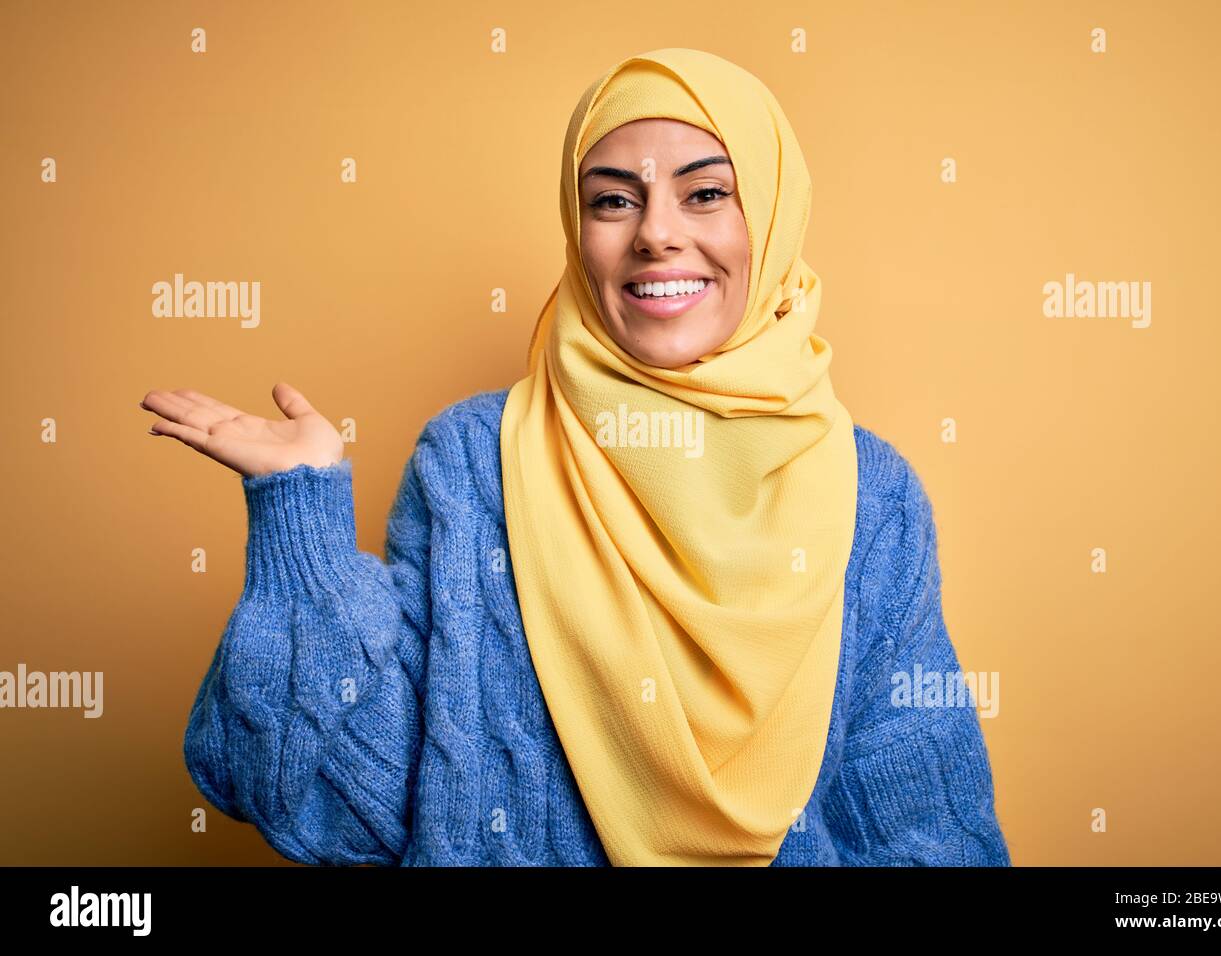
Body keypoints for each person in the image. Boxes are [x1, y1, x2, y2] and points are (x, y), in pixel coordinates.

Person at [142, 47, 1012, 867]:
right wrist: (304, 525)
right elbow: (341, 803)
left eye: (705, 194)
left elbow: (925, 826)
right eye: (613, 200)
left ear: (774, 218)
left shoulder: (873, 495)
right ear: (577, 230)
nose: (656, 235)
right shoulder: (474, 462)